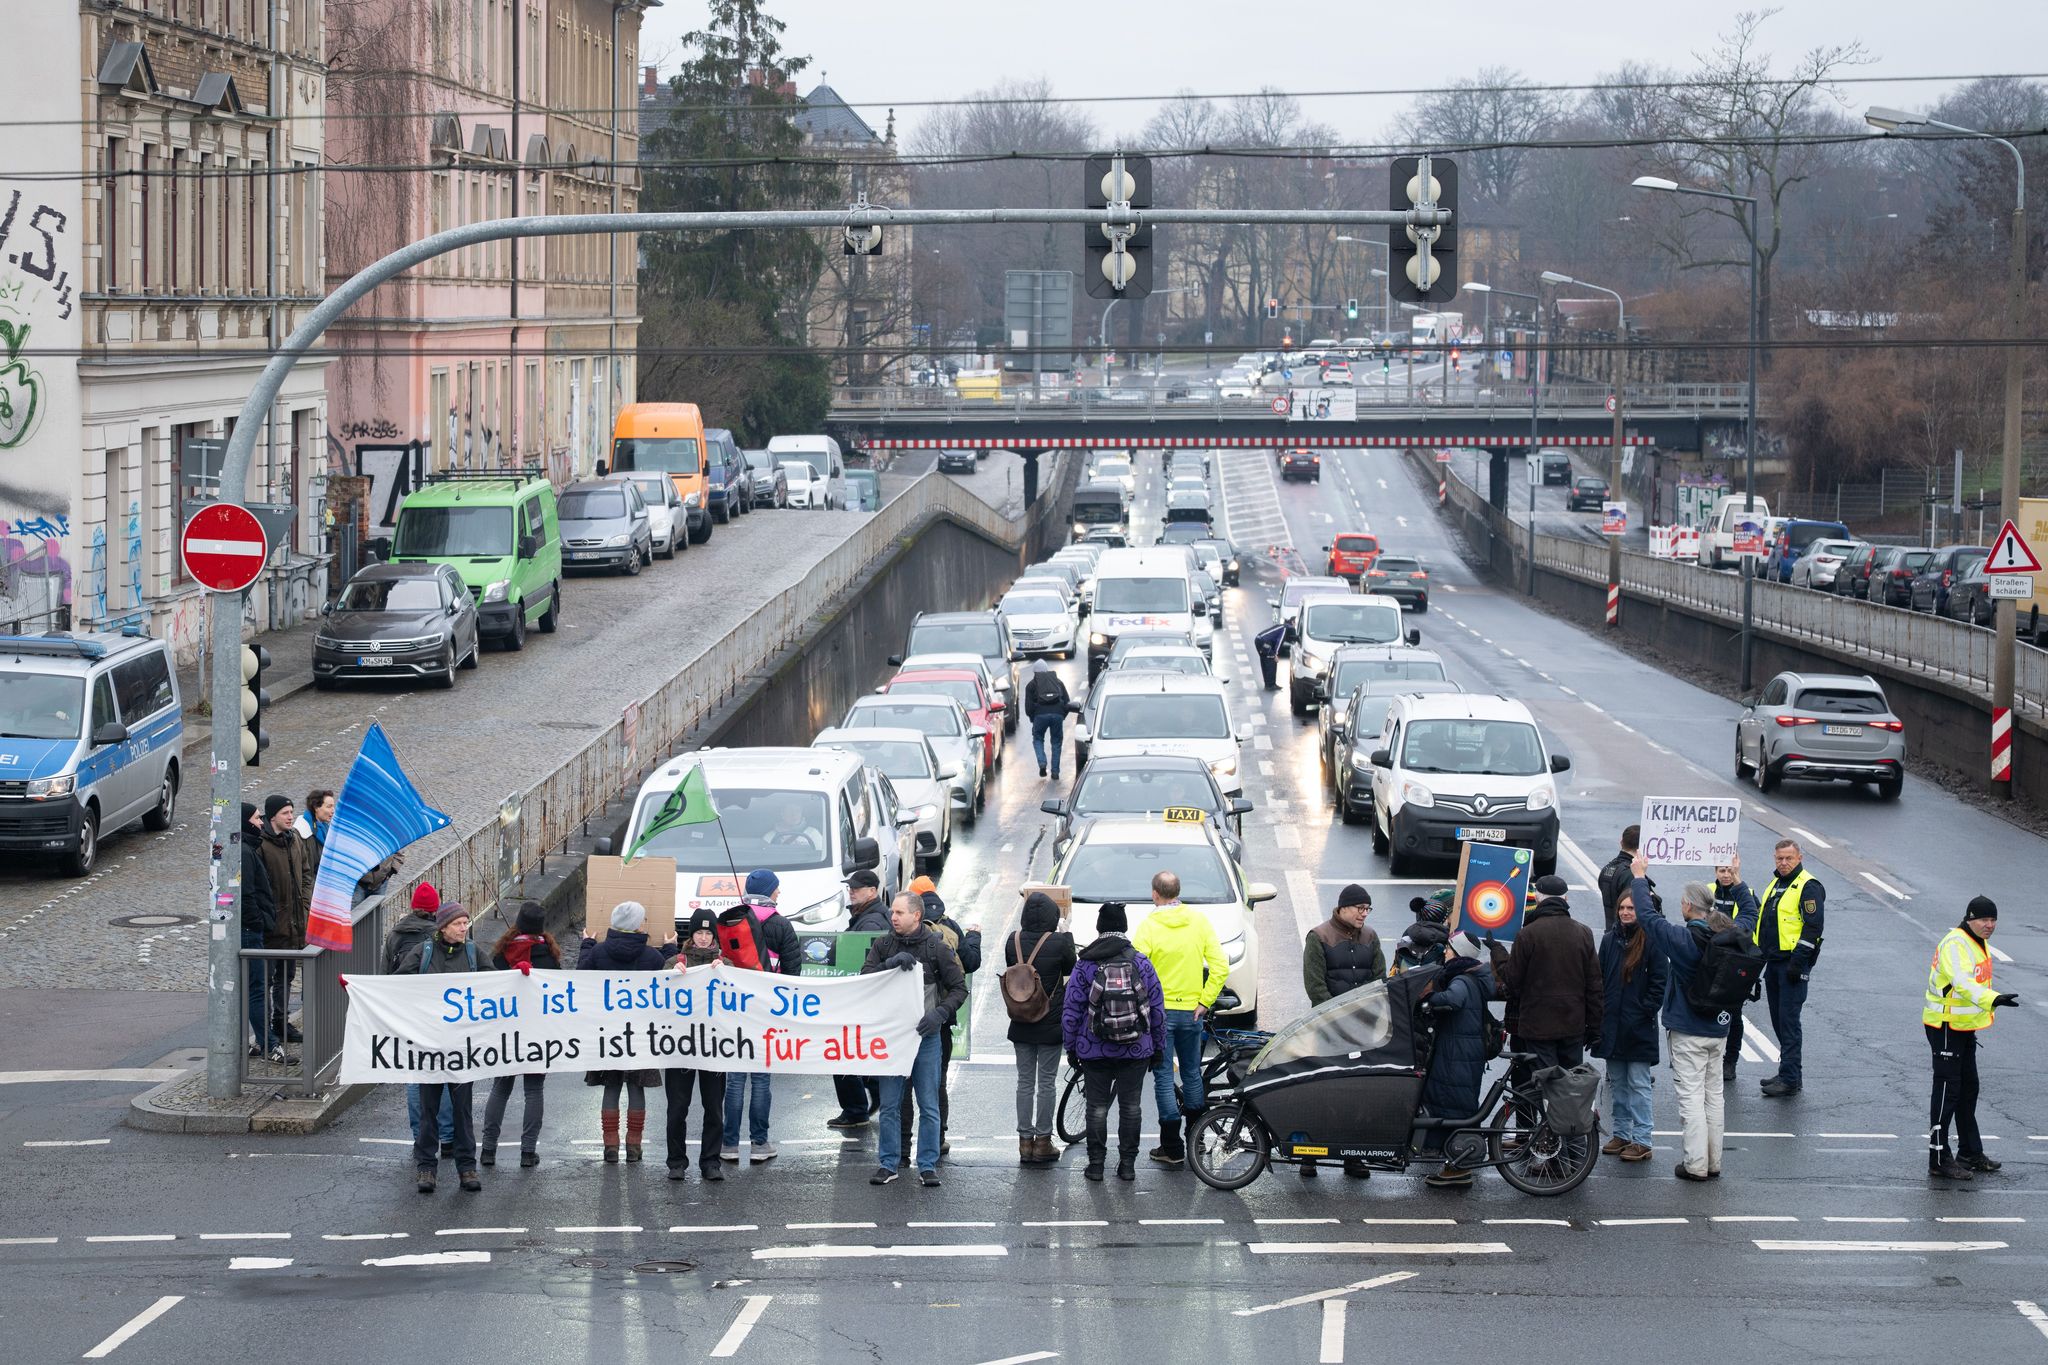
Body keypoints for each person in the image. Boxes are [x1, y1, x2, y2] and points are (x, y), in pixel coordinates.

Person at [1628, 851, 1759, 1181]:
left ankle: (1695, 1165)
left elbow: (1647, 916)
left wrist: (1639, 877)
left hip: (1687, 1030)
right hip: (1720, 1029)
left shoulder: (1683, 939)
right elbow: (1751, 913)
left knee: (1690, 1100)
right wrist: (1739, 879)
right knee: (1714, 1097)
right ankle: (1714, 1162)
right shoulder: (1730, 934)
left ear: (1687, 906)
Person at [860, 892, 967, 1187]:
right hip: (893, 1037)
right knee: (891, 1104)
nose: (892, 917)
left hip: (926, 1037)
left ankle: (928, 1165)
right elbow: (864, 979)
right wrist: (889, 964)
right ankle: (888, 1163)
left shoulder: (936, 946)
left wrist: (940, 1014)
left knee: (928, 1103)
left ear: (916, 915)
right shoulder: (883, 945)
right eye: (892, 912)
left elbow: (959, 988)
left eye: (899, 913)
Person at [1062, 902, 1169, 1182]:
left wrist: (1072, 1047)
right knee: (1131, 1106)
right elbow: (1157, 1009)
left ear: (1099, 928)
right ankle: (1127, 1165)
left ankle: (1096, 1164)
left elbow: (1071, 1010)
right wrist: (1158, 1047)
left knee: (1096, 1107)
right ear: (1124, 927)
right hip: (1135, 1049)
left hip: (1094, 1048)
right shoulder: (1141, 962)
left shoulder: (1085, 964)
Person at [1133, 870, 1226, 1170]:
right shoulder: (1198, 922)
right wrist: (1204, 1001)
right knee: (1191, 1073)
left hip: (1160, 1015)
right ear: (1178, 891)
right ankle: (1195, 1139)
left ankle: (1171, 1147)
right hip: (1191, 1012)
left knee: (1162, 1076)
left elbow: (1136, 972)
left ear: (1155, 894)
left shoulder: (1148, 927)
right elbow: (1220, 966)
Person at [1394, 924, 1497, 1188]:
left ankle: (1460, 1163)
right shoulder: (1470, 975)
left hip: (1457, 1054)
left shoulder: (1462, 979)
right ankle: (1449, 1154)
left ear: (1458, 952)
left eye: (1449, 949)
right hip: (1460, 1051)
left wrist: (1430, 999)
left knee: (1452, 1103)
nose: (1446, 954)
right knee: (1448, 1101)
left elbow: (1454, 999)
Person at [1925, 896, 2018, 1181]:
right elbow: (1963, 983)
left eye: (1993, 920)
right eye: (1984, 920)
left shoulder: (1976, 940)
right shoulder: (1956, 943)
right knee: (1947, 1091)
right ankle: (1938, 1158)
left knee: (1968, 1089)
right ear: (1969, 918)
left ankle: (1969, 1152)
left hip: (1963, 1027)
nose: (1989, 925)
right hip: (1945, 1027)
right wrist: (1993, 998)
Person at [397, 902, 487, 1193]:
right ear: (443, 927)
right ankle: (426, 1168)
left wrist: (522, 974)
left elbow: (499, 983)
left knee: (462, 1111)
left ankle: (467, 1168)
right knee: (428, 1110)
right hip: (429, 1046)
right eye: (459, 923)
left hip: (462, 1048)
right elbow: (396, 985)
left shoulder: (473, 953)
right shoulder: (423, 953)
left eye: (466, 923)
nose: (464, 928)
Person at [578, 901, 677, 1164]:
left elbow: (580, 980)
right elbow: (671, 982)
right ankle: (634, 1147)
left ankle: (610, 1148)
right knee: (636, 1088)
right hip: (641, 1033)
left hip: (607, 1033)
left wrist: (587, 944)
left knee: (611, 1087)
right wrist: (671, 949)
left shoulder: (598, 953)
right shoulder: (652, 957)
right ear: (638, 925)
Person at [723, 869, 801, 1162]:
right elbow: (794, 973)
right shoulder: (781, 925)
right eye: (776, 889)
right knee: (761, 1080)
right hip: (766, 1010)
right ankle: (759, 1144)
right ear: (769, 892)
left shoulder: (733, 920)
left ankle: (729, 1145)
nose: (779, 893)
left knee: (734, 1080)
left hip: (735, 1010)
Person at [903, 875, 979, 1158]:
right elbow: (970, 964)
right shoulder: (950, 927)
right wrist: (974, 937)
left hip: (904, 1024)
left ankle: (901, 1147)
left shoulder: (899, 933)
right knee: (936, 1083)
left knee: (903, 1085)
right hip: (939, 1021)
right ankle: (939, 1138)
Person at [480, 901, 559, 1170]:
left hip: (506, 1033)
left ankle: (488, 1149)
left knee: (500, 1088)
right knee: (534, 1090)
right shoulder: (549, 955)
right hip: (537, 1033)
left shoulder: (502, 955)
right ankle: (527, 1152)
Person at [1494, 874, 1601, 1071]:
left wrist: (1497, 950)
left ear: (1537, 897)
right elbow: (1594, 984)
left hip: (1538, 1026)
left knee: (1545, 1082)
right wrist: (1595, 1026)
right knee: (1570, 1084)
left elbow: (1512, 979)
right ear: (1565, 899)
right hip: (1573, 1024)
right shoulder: (1583, 932)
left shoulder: (1528, 934)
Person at [1595, 878, 1667, 1163]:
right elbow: (1600, 977)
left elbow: (1660, 983)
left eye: (1631, 908)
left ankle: (1642, 1139)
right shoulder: (1610, 939)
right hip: (1612, 1024)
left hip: (1637, 1025)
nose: (1625, 912)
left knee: (1638, 1083)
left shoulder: (1652, 940)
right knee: (1618, 1083)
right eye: (1623, 908)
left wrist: (1644, 1011)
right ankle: (1622, 1133)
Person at [1006, 890, 1076, 1166]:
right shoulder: (1058, 943)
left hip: (1020, 1018)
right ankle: (1043, 1141)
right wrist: (1066, 934)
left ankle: (1025, 1142)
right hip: (1049, 1021)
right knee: (1046, 1081)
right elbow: (1072, 968)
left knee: (1024, 1081)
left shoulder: (1013, 942)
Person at [386, 882, 454, 1154]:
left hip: (410, 1015)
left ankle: (420, 1137)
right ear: (436, 909)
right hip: (442, 1015)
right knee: (447, 1073)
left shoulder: (396, 935)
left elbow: (387, 977)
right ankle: (448, 1138)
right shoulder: (442, 936)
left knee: (415, 1076)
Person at [1755, 838, 1824, 1098]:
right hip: (1773, 962)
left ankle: (1790, 1078)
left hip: (1792, 964)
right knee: (1777, 1020)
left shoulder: (1809, 886)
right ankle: (1790, 1071)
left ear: (1799, 858)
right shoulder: (1776, 883)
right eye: (1780, 858)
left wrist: (1798, 961)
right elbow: (1766, 924)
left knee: (1789, 1020)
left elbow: (1813, 926)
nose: (1784, 863)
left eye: (1789, 859)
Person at [664, 909, 729, 1183]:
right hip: (680, 1047)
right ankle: (676, 1162)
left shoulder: (726, 964)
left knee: (713, 1107)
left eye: (708, 933)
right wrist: (669, 974)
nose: (703, 938)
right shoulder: (673, 962)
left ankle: (711, 1162)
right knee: (678, 1108)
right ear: (691, 936)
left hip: (714, 1047)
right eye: (699, 933)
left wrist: (728, 976)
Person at [826, 869, 891, 1130]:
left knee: (839, 1050)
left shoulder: (871, 923)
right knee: (855, 1049)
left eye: (856, 887)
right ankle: (872, 1089)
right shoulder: (869, 916)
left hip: (860, 997)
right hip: (871, 998)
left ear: (872, 892)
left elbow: (856, 960)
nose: (850, 891)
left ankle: (855, 1109)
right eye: (850, 887)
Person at [256, 795, 313, 1050]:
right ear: (272, 817)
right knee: (267, 978)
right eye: (285, 813)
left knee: (287, 976)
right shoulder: (262, 845)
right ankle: (266, 1027)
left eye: (291, 812)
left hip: (295, 922)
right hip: (273, 924)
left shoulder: (295, 840)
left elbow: (306, 873)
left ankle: (281, 1020)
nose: (290, 816)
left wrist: (305, 904)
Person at [238, 803, 282, 1063]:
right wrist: (260, 922)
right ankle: (268, 1043)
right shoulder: (244, 851)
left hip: (252, 928)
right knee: (256, 989)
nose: (261, 823)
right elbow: (247, 895)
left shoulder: (247, 848)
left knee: (255, 988)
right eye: (256, 819)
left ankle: (263, 1041)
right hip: (249, 930)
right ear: (245, 822)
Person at [1303, 883, 1385, 1006]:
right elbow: (1315, 987)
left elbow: (1379, 978)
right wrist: (1337, 1014)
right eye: (1360, 908)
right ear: (1344, 907)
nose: (1364, 914)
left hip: (1367, 1016)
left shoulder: (1370, 935)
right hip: (1331, 1020)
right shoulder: (1318, 937)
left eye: (1367, 909)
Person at [1712, 865, 1748, 1083]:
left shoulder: (1746, 893)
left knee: (1734, 1015)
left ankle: (1730, 1061)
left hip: (1736, 962)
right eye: (1721, 870)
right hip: (1713, 961)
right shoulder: (1709, 892)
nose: (1725, 875)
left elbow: (1754, 922)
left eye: (1729, 870)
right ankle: (1712, 1058)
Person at [1023, 660, 1074, 780]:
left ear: (1034, 672)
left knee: (1038, 739)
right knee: (1056, 742)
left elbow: (1028, 708)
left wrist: (1033, 718)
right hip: (1057, 715)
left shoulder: (1031, 685)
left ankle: (1042, 763)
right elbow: (1067, 702)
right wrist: (1061, 715)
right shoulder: (1058, 682)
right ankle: (1055, 772)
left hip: (1040, 716)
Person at [1597, 824, 1640, 932]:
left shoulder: (1607, 869)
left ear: (1621, 842)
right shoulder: (1633, 873)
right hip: (1628, 936)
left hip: (1611, 933)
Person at [293, 788, 336, 877]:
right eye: (329, 806)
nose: (333, 810)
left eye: (333, 806)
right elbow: (307, 872)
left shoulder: (325, 827)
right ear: (316, 807)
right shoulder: (302, 834)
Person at [1254, 620, 1286, 690]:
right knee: (1271, 660)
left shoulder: (1280, 627)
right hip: (1263, 642)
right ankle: (1270, 685)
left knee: (1265, 660)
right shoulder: (1284, 629)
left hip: (1258, 639)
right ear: (1292, 622)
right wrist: (1276, 655)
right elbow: (1279, 642)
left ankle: (1268, 684)